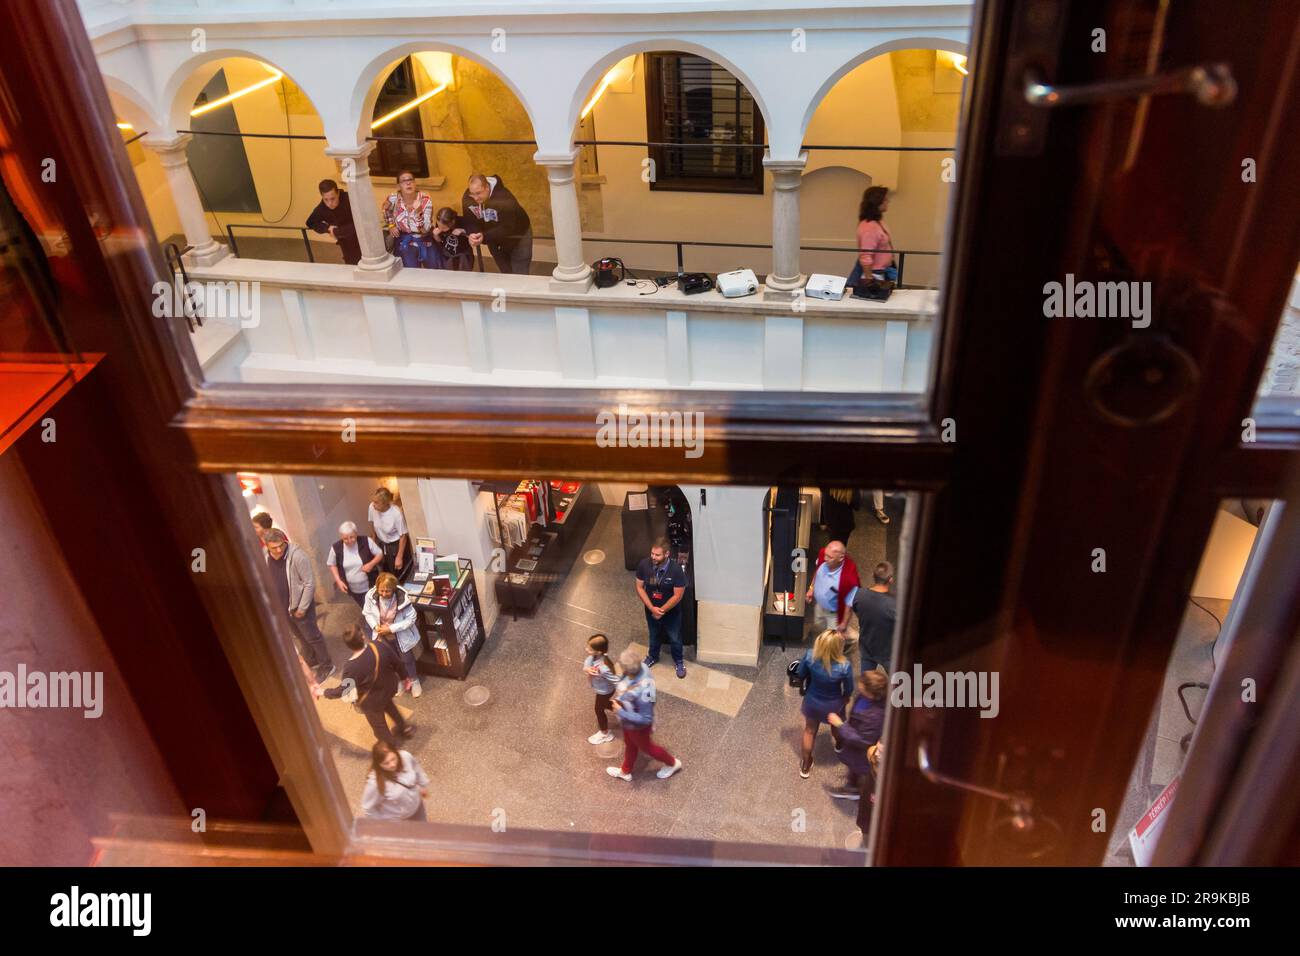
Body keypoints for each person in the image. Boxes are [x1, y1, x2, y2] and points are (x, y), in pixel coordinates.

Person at [317, 625, 414, 747]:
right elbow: (397, 662)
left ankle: (391, 746)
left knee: (379, 725)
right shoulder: (377, 646)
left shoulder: (350, 668)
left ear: (348, 646)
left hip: (371, 701)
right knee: (390, 707)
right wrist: (405, 677)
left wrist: (323, 692)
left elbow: (343, 690)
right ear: (363, 637)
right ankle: (405, 729)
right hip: (388, 689)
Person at [264, 529, 334, 682]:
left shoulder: (297, 556)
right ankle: (312, 659)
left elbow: (309, 583)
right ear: (267, 546)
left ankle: (327, 665)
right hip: (283, 608)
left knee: (313, 637)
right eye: (273, 547)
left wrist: (302, 608)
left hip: (300, 608)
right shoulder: (265, 557)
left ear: (284, 541)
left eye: (281, 545)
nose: (278, 550)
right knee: (300, 637)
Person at [606, 647, 682, 781]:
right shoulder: (641, 668)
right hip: (629, 722)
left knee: (648, 748)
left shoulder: (643, 692)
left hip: (638, 726)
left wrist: (621, 712)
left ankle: (673, 763)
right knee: (630, 744)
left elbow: (645, 718)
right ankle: (625, 771)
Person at [795, 629, 854, 778]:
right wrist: (845, 699)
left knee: (809, 731)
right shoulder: (844, 666)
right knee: (836, 727)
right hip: (833, 705)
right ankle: (840, 745)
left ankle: (806, 765)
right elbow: (849, 689)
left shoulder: (810, 656)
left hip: (812, 701)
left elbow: (800, 674)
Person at [826, 669, 888, 803]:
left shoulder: (875, 716)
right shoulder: (865, 696)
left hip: (860, 752)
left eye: (862, 686)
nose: (859, 686)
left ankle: (855, 791)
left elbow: (862, 740)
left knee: (859, 768)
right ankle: (853, 785)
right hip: (854, 746)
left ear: (871, 694)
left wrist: (840, 725)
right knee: (854, 768)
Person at [635, 538, 688, 679]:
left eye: (657, 555)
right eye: (652, 553)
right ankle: (653, 656)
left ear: (667, 554)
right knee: (653, 634)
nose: (653, 557)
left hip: (671, 613)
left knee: (675, 637)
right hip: (651, 610)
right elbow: (639, 587)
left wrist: (662, 610)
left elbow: (678, 596)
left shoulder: (676, 570)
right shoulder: (644, 565)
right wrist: (652, 608)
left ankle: (679, 661)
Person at [363, 572, 422, 698]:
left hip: (399, 634)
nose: (384, 594)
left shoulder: (403, 600)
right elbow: (367, 613)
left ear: (394, 589)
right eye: (381, 591)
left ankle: (414, 680)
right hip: (381, 635)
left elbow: (411, 618)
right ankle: (399, 681)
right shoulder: (370, 596)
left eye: (387, 591)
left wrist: (391, 628)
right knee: (391, 660)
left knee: (407, 658)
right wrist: (375, 626)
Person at [461, 173, 533, 274]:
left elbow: (507, 227)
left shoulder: (504, 197)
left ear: (487, 187)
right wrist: (473, 233)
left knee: (520, 273)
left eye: (478, 193)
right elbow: (470, 220)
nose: (475, 198)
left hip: (518, 235)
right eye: (472, 194)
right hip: (493, 239)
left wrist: (484, 236)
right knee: (506, 272)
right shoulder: (469, 197)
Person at [805, 540, 860, 655]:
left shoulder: (849, 578)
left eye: (829, 557)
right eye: (825, 554)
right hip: (820, 606)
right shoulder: (823, 556)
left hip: (834, 614)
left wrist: (844, 624)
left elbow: (848, 605)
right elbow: (817, 571)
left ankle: (852, 639)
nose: (825, 558)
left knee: (832, 641)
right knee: (819, 627)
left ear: (840, 558)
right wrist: (811, 588)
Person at [360, 740, 430, 821]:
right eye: (386, 763)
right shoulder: (375, 783)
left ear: (396, 753)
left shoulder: (405, 756)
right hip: (398, 820)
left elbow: (416, 768)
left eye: (393, 759)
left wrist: (423, 785)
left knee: (422, 829)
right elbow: (368, 808)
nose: (392, 765)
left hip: (417, 807)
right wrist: (384, 824)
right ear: (379, 765)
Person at [847, 185, 897, 288]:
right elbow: (866, 256)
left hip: (882, 271)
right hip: (874, 274)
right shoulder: (869, 227)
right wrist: (869, 281)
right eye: (885, 200)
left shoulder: (877, 222)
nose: (888, 202)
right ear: (877, 202)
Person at [382, 170, 435, 268]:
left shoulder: (425, 200)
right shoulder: (393, 198)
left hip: (424, 239)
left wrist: (418, 212)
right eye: (403, 181)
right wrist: (391, 225)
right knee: (410, 273)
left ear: (415, 183)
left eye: (411, 180)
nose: (408, 183)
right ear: (398, 186)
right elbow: (385, 209)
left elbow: (425, 229)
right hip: (404, 240)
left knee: (433, 272)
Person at [851, 561, 897, 673]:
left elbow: (856, 610)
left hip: (867, 647)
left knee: (866, 684)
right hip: (888, 652)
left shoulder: (858, 594)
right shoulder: (894, 603)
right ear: (890, 579)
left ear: (873, 576)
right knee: (897, 685)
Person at [327, 520, 383, 610]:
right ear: (341, 537)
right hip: (353, 589)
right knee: (365, 608)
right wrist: (338, 580)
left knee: (376, 608)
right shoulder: (336, 548)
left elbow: (379, 554)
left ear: (356, 534)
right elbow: (331, 564)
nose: (349, 541)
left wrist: (371, 564)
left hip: (371, 585)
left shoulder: (366, 541)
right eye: (345, 539)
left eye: (352, 537)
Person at [305, 178, 362, 265]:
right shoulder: (322, 208)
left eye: (332, 199)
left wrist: (336, 231)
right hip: (346, 245)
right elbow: (310, 222)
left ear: (338, 193)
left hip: (362, 239)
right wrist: (327, 228)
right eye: (326, 199)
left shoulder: (350, 199)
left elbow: (363, 221)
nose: (329, 203)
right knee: (352, 266)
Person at [583, 633, 619, 745]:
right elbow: (587, 661)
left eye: (589, 648)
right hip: (601, 689)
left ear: (598, 652)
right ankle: (623, 710)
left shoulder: (604, 668)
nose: (586, 649)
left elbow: (617, 681)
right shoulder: (594, 656)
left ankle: (605, 734)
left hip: (605, 692)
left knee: (598, 709)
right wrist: (587, 669)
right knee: (604, 704)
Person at [368, 487, 409, 579]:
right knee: (385, 574)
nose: (373, 505)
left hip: (396, 546)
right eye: (374, 501)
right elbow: (373, 525)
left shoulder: (396, 513)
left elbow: (403, 536)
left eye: (377, 503)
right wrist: (373, 544)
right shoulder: (372, 507)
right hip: (382, 544)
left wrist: (399, 557)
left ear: (385, 503)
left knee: (399, 575)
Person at [431, 206, 472, 271]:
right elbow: (440, 240)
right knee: (448, 276)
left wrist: (463, 231)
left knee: (464, 276)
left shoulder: (461, 221)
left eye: (444, 228)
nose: (441, 229)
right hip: (447, 255)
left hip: (463, 255)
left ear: (452, 222)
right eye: (439, 226)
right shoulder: (440, 223)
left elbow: (474, 235)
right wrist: (435, 235)